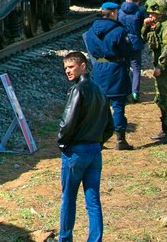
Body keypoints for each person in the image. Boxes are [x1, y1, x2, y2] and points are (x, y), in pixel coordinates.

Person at [56, 51, 113, 242]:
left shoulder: (77, 90)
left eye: (71, 67)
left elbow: (67, 122)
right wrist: (98, 141)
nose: (67, 71)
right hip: (94, 151)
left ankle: (65, 239)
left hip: (76, 152)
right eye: (65, 68)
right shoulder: (100, 91)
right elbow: (110, 126)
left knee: (69, 199)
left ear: (83, 66)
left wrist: (63, 143)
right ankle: (95, 239)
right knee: (93, 201)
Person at [83, 2, 135, 150]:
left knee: (101, 106)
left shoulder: (91, 31)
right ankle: (120, 139)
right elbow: (127, 50)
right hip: (116, 68)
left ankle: (99, 139)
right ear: (113, 13)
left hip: (99, 68)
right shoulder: (119, 30)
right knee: (118, 105)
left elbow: (91, 50)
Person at [141, 0, 167, 144]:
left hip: (166, 69)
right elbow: (143, 38)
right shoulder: (155, 25)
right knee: (160, 99)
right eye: (150, 13)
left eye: (154, 13)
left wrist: (160, 66)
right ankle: (165, 130)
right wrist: (145, 27)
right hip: (160, 67)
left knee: (166, 99)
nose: (151, 15)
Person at [117, 0, 147, 102]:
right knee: (136, 69)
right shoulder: (139, 12)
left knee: (124, 67)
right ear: (137, 1)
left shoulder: (119, 12)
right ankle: (135, 93)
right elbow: (142, 29)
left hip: (123, 43)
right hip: (135, 43)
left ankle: (124, 92)